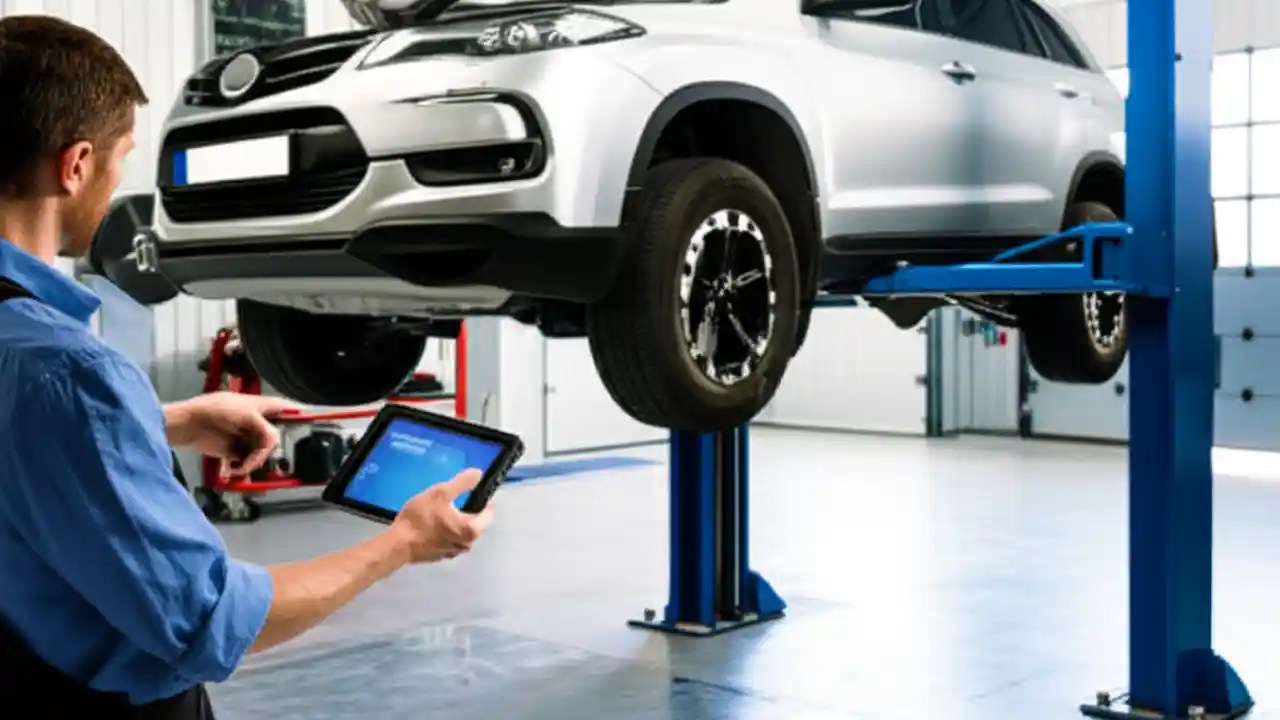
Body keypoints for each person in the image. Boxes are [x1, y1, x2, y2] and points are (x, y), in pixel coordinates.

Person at [0, 15, 494, 718]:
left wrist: (161, 422)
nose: (118, 182)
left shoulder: (46, 369)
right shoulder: (69, 372)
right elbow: (209, 621)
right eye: (121, 157)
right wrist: (402, 544)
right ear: (76, 165)